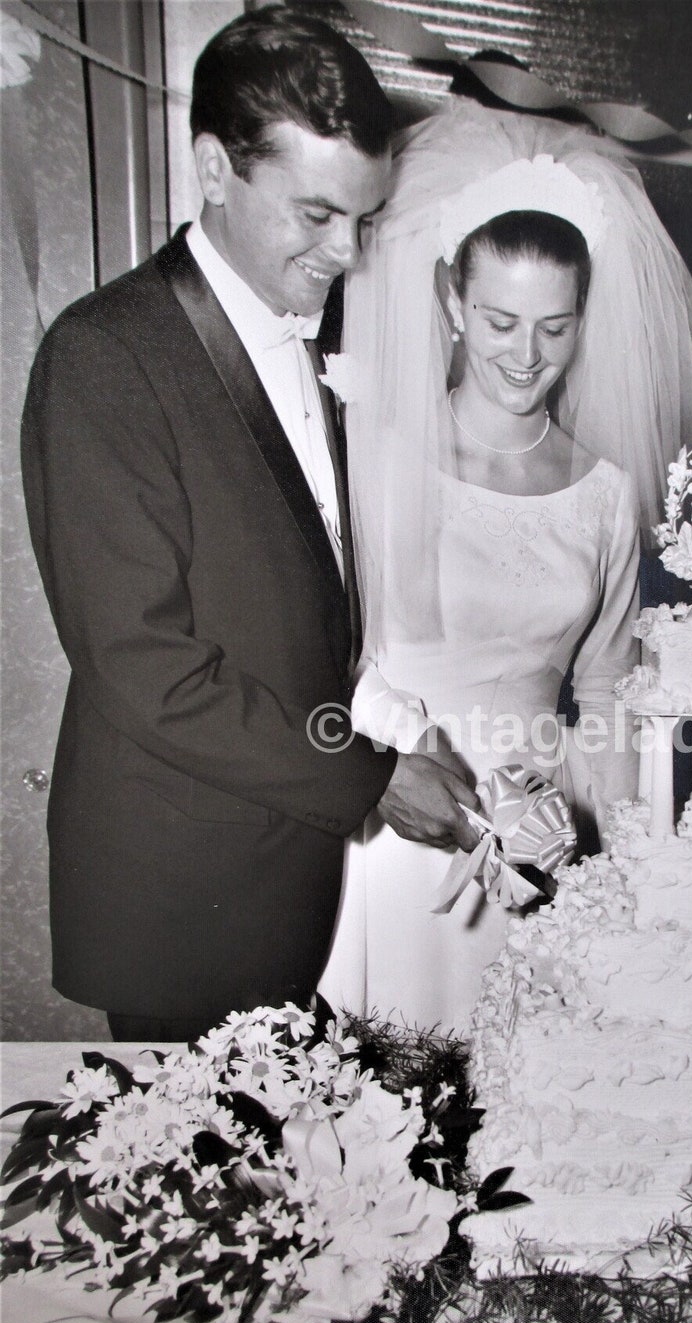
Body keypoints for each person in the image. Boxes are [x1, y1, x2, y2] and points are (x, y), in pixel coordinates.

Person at [20, 9, 477, 1045]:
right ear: (213, 169)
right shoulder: (105, 356)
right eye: (316, 214)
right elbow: (145, 667)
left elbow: (296, 609)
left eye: (362, 219)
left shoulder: (300, 330)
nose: (346, 252)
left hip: (284, 884)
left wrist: (394, 728)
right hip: (183, 901)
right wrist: (371, 778)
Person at [318, 100, 692, 1032]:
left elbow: (608, 692)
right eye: (499, 320)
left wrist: (614, 861)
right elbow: (329, 654)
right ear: (453, 305)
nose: (526, 356)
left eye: (555, 327)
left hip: (549, 834)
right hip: (399, 816)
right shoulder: (372, 458)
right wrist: (417, 762)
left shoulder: (606, 491)